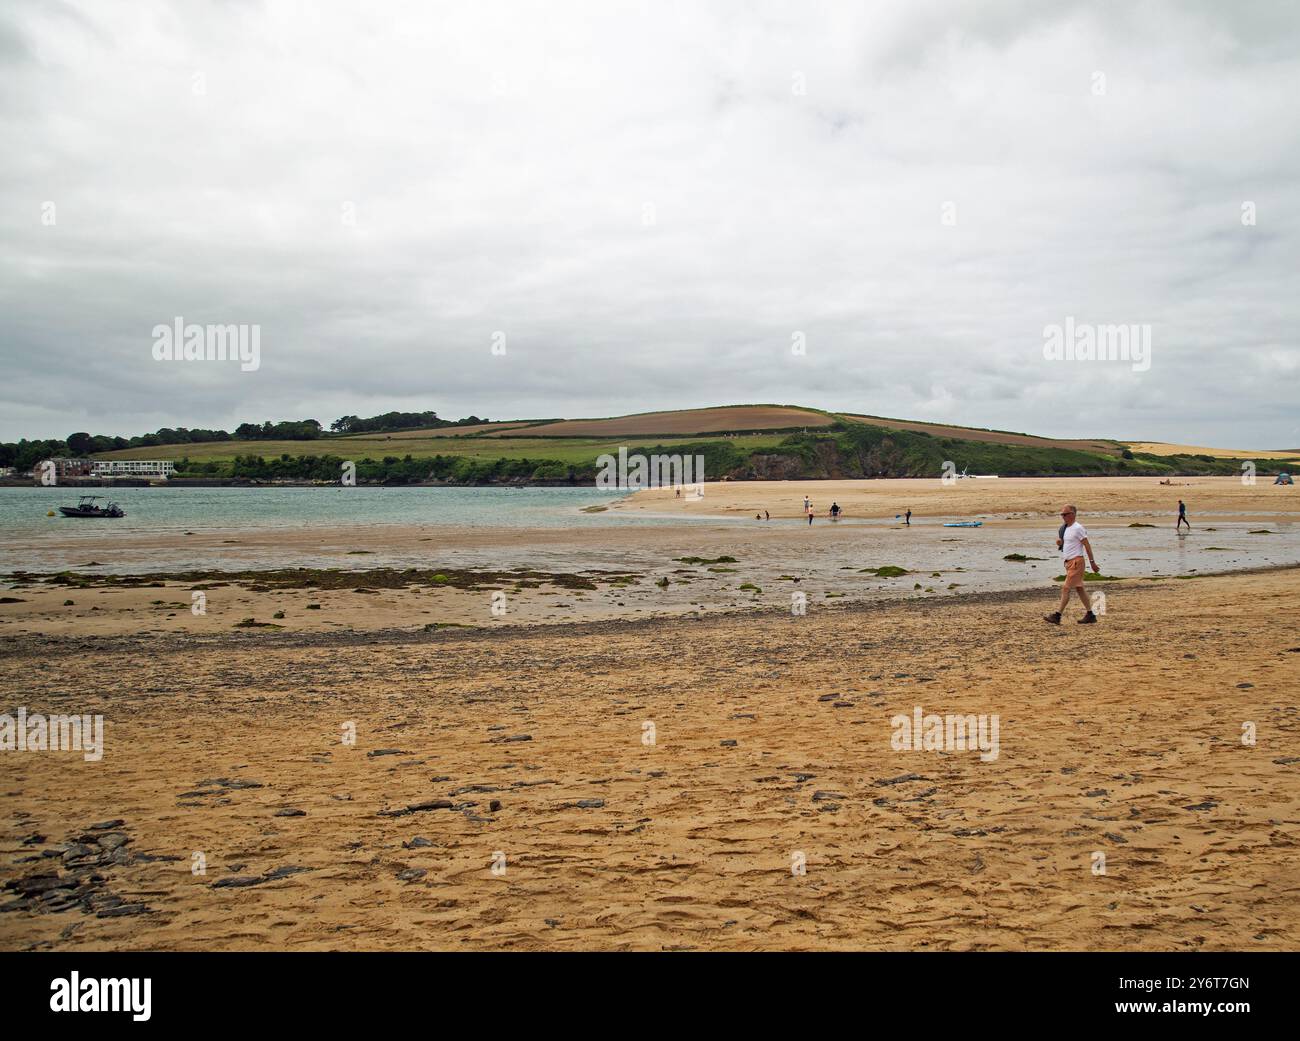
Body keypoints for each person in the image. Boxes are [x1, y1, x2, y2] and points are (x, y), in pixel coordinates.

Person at [1044, 504, 1099, 624]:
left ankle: (1057, 615)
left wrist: (1092, 562)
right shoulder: (1065, 528)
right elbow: (1066, 544)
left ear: (1073, 514)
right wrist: (1060, 543)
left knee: (1066, 588)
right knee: (1079, 589)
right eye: (1061, 514)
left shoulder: (1078, 528)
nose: (1063, 517)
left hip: (1077, 563)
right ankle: (1090, 615)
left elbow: (1087, 546)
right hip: (1069, 564)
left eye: (1065, 514)